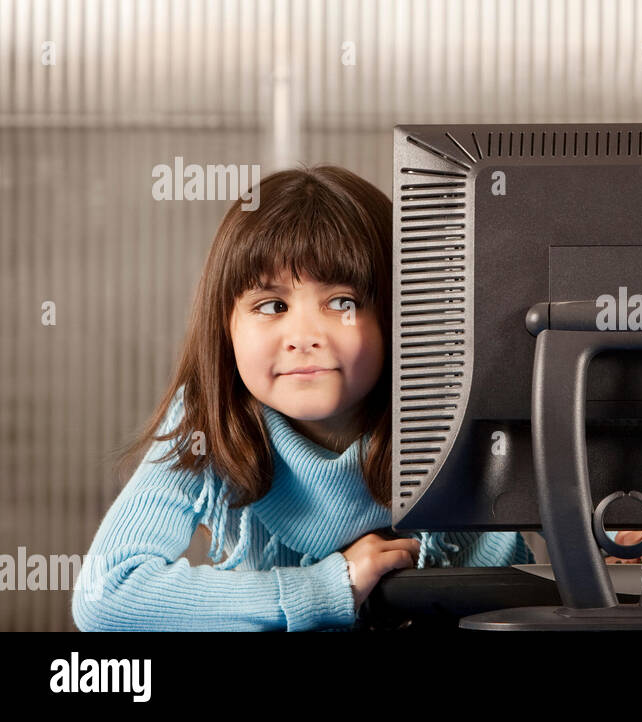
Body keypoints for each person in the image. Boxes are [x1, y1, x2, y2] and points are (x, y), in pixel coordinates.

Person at [72, 166, 531, 631]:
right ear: (225, 327)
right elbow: (107, 595)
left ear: (400, 314)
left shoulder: (459, 406)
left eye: (341, 302)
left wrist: (605, 546)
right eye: (272, 306)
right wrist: (326, 588)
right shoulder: (210, 414)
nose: (304, 337)